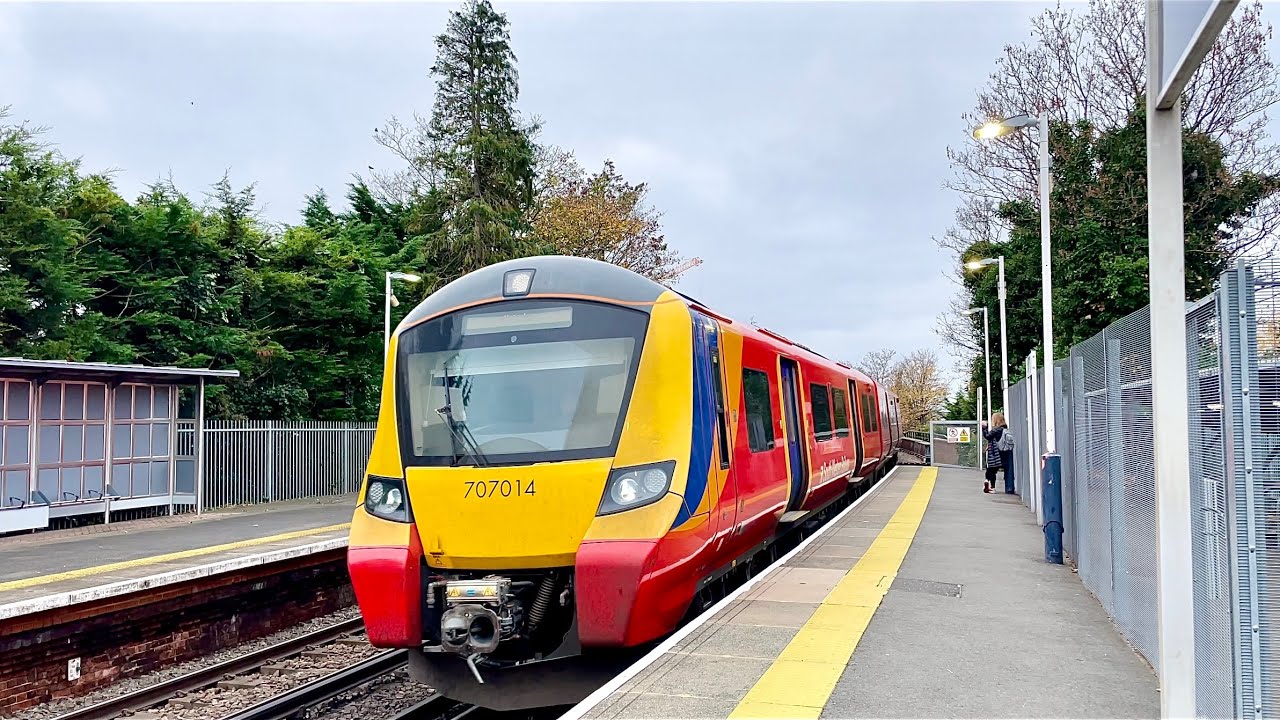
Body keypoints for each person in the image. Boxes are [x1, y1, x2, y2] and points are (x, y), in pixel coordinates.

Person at [981, 413, 1007, 494]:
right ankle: (989, 484)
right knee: (994, 470)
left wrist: (984, 428)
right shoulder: (1004, 429)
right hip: (1004, 452)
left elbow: (988, 436)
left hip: (995, 453)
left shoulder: (996, 429)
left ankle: (990, 485)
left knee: (991, 469)